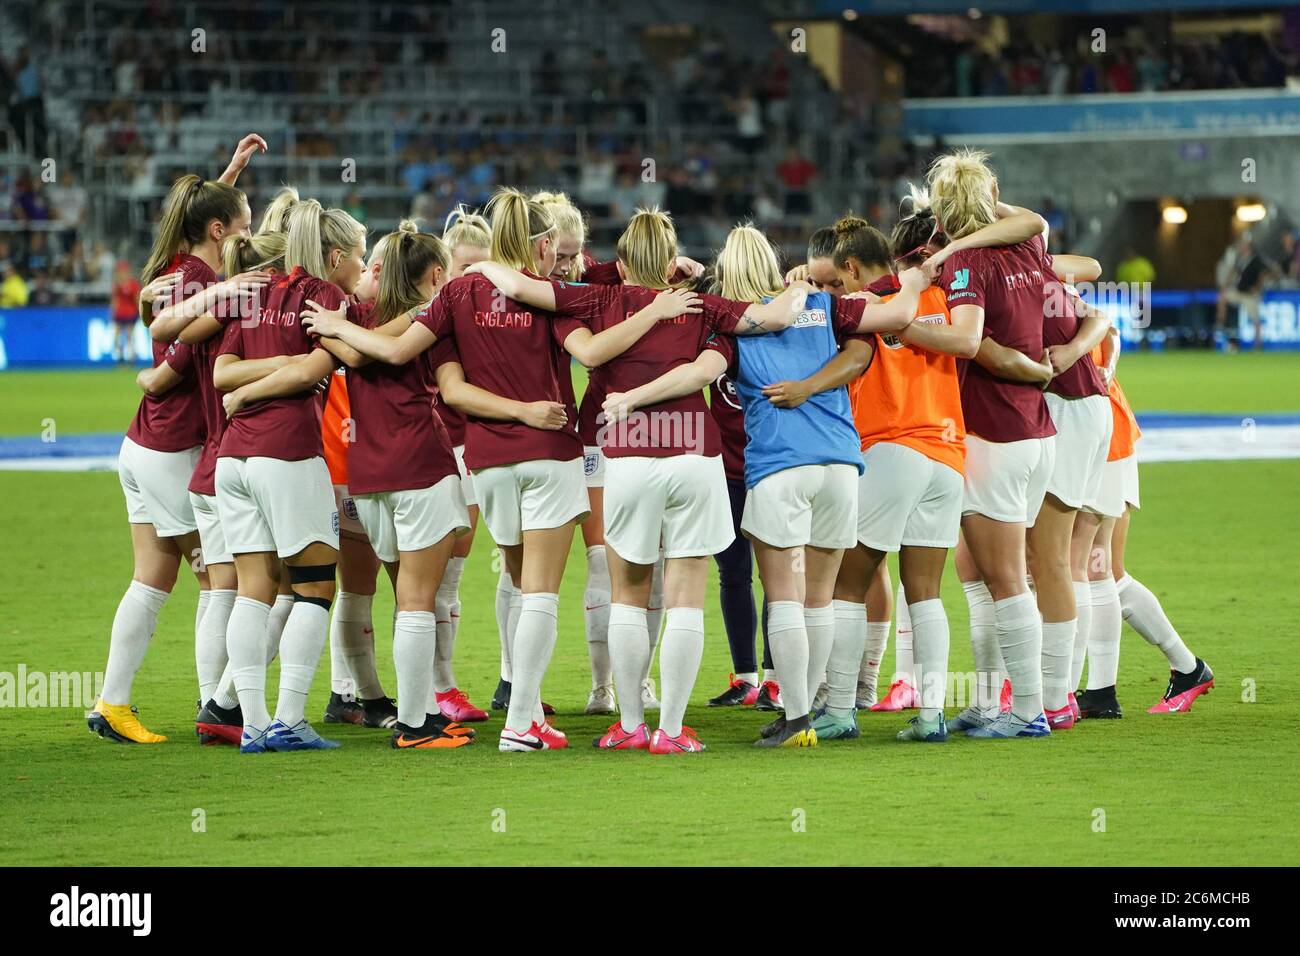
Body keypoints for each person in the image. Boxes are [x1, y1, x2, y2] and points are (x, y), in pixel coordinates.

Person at [297, 188, 662, 753]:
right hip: (547, 452)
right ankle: (522, 720)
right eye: (553, 251)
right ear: (542, 245)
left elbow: (411, 364)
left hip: (487, 463)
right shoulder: (551, 297)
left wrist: (337, 326)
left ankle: (439, 709)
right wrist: (662, 306)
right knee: (539, 592)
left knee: (511, 583)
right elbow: (590, 352)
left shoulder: (457, 294)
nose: (558, 261)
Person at [467, 209, 807, 753]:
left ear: (621, 264)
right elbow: (775, 318)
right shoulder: (701, 305)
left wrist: (482, 262)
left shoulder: (599, 301)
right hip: (695, 457)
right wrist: (799, 285)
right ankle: (670, 731)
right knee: (686, 597)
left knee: (628, 595)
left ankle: (628, 724)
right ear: (672, 263)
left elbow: (521, 285)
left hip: (625, 458)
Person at [229, 224, 476, 750]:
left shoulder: (352, 318)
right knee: (416, 599)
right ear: (434, 275)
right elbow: (381, 356)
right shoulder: (429, 315)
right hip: (421, 468)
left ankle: (421, 713)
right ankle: (414, 724)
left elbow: (353, 356)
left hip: (366, 479)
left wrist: (334, 325)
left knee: (401, 595)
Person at [716, 223, 924, 748]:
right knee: (821, 598)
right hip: (839, 462)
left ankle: (797, 716)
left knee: (782, 594)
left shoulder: (727, 319)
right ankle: (808, 711)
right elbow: (893, 320)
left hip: (778, 464)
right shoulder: (825, 305)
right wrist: (919, 279)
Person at [88, 148, 259, 745]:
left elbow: (201, 214)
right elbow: (169, 365)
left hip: (143, 444)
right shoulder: (207, 285)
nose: (253, 229)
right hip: (174, 448)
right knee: (221, 577)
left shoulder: (179, 268)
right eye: (244, 220)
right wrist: (153, 376)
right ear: (218, 231)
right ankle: (217, 707)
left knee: (154, 579)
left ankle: (113, 703)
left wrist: (229, 176)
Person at [212, 198, 364, 753]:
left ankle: (250, 723)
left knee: (253, 590)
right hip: (289, 453)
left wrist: (246, 386)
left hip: (234, 459)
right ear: (333, 254)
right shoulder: (325, 298)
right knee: (316, 585)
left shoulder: (257, 292)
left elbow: (221, 371)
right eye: (358, 255)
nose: (361, 267)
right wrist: (268, 380)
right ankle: (290, 719)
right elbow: (314, 367)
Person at [110, 260, 142, 364]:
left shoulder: (133, 284)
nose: (122, 273)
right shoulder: (117, 284)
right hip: (119, 313)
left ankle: (131, 357)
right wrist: (113, 311)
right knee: (116, 337)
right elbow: (115, 300)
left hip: (130, 313)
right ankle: (120, 356)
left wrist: (140, 311)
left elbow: (137, 299)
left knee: (129, 336)